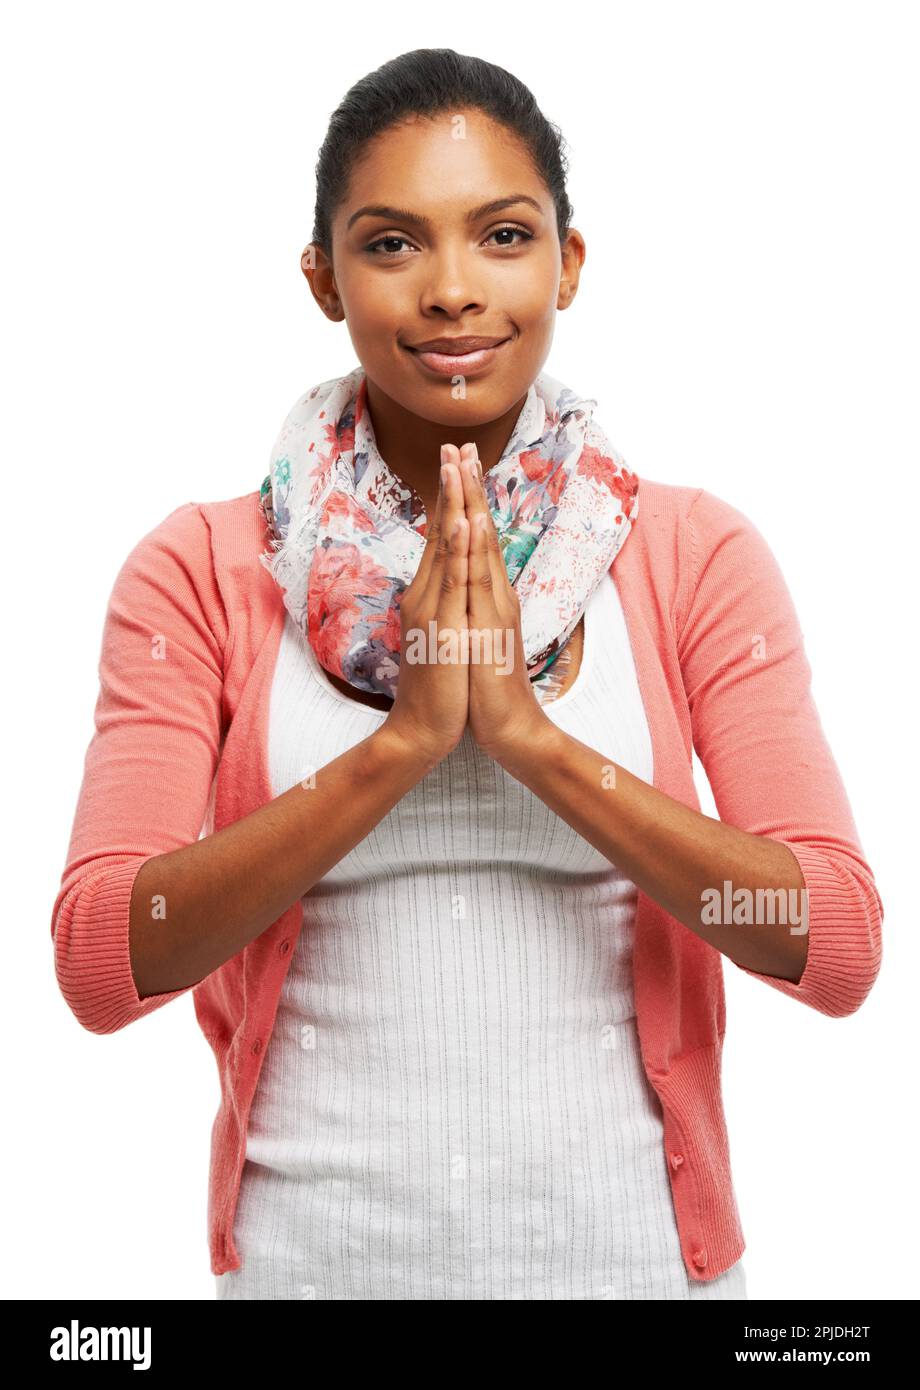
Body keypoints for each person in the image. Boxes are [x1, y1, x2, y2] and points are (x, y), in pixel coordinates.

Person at [50, 48, 883, 1301]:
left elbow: (829, 945)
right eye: (391, 245)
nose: (451, 291)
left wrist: (531, 740)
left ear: (568, 262)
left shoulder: (691, 554)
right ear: (322, 278)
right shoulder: (204, 569)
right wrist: (399, 747)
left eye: (501, 235)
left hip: (639, 1276)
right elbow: (104, 959)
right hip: (307, 1276)